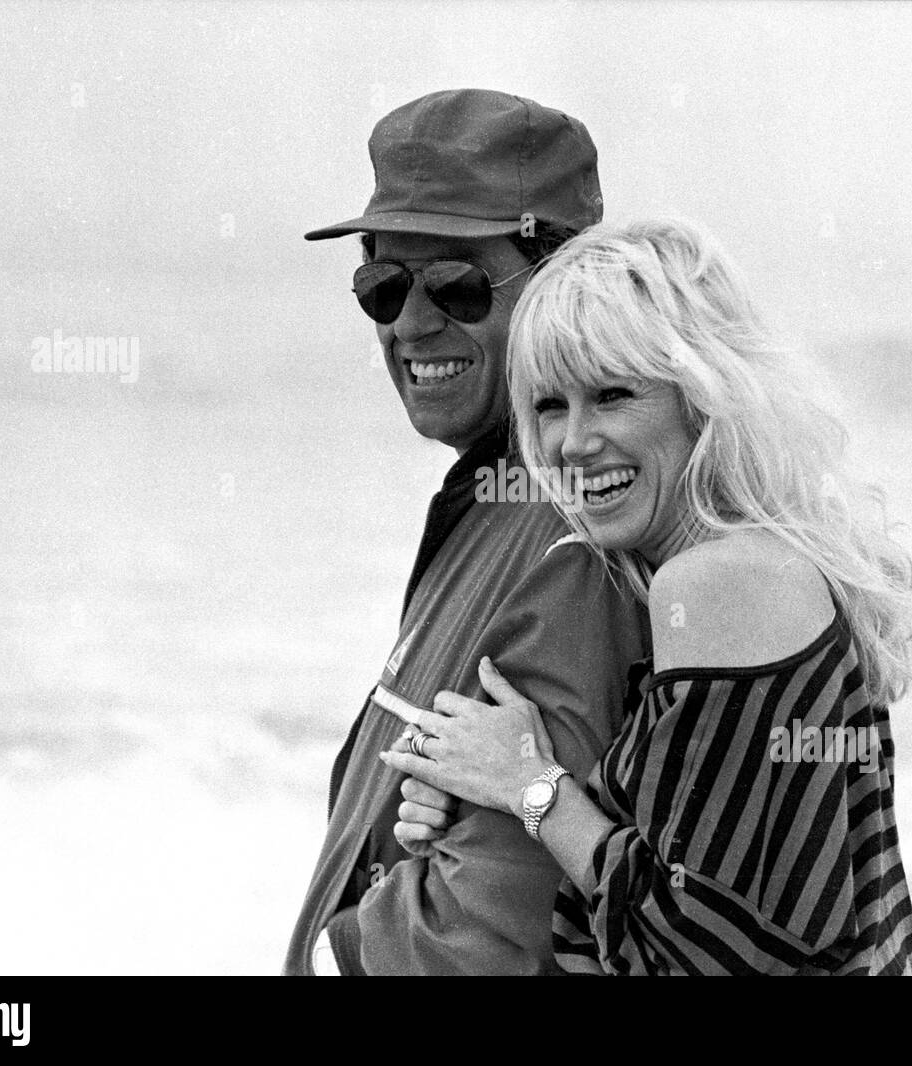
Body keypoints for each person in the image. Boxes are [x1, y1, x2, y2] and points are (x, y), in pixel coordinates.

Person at [384, 218, 912, 975]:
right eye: (549, 406)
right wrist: (475, 804)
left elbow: (683, 947)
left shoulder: (718, 583)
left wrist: (529, 787)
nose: (573, 443)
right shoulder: (746, 566)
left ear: (700, 397)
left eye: (612, 395)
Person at [282, 89, 649, 976]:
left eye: (456, 282)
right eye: (384, 284)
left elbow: (490, 928)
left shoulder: (577, 524)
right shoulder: (499, 492)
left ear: (567, 283)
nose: (409, 321)